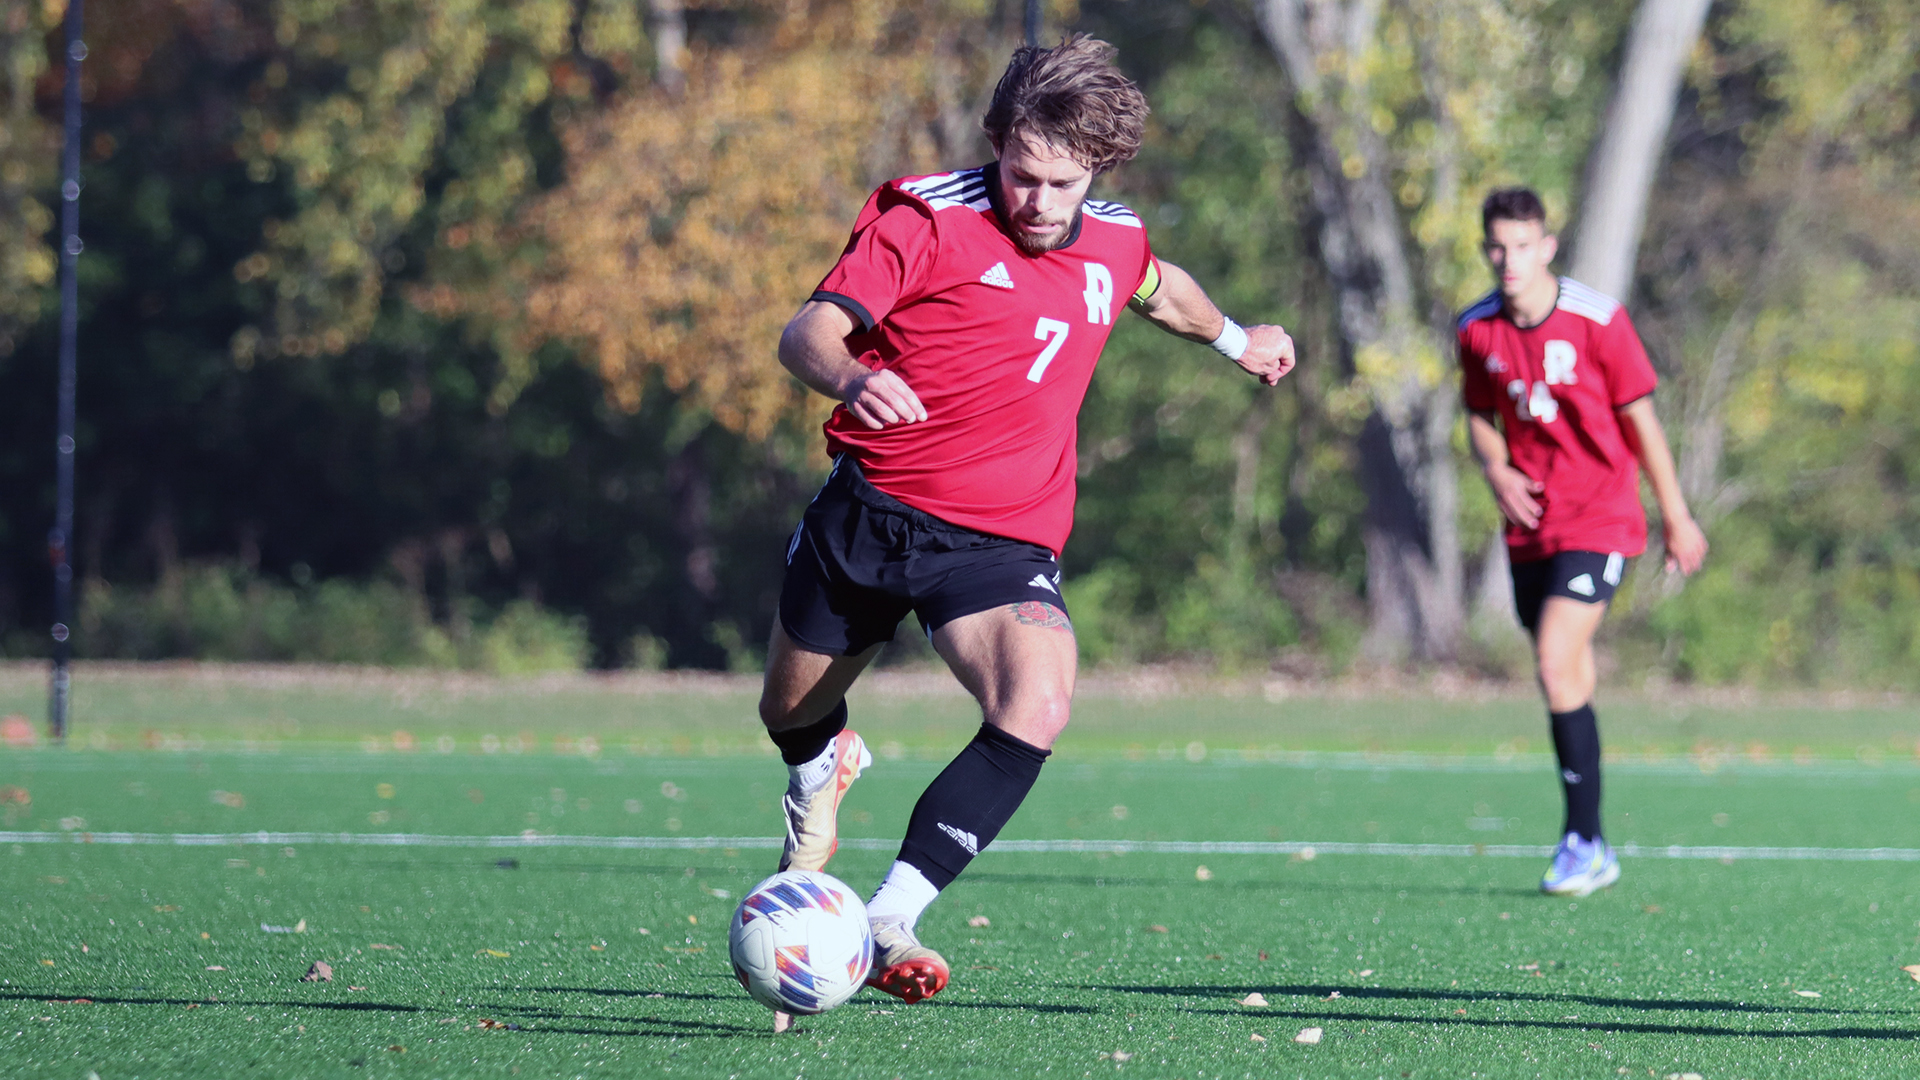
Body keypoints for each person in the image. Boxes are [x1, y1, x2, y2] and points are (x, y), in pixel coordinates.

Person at [758, 35, 1296, 1004]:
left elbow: (1158, 287)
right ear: (995, 145)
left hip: (1003, 539)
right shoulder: (922, 219)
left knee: (1037, 704)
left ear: (1098, 169)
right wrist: (853, 377)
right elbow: (810, 331)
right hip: (873, 513)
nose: (1039, 202)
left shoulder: (1114, 233)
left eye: (1063, 182)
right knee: (788, 713)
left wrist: (1236, 340)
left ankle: (891, 916)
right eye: (1022, 175)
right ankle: (819, 772)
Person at [1458, 187, 1708, 897]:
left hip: (1601, 518)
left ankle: (1581, 841)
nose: (1510, 260)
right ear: (1487, 250)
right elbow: (1479, 412)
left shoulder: (1599, 321)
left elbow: (1642, 425)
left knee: (1553, 657)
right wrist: (1495, 465)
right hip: (1530, 527)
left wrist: (1677, 515)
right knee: (1567, 672)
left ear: (1548, 247)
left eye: (1523, 246)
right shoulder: (1475, 329)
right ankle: (1594, 841)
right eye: (1498, 248)